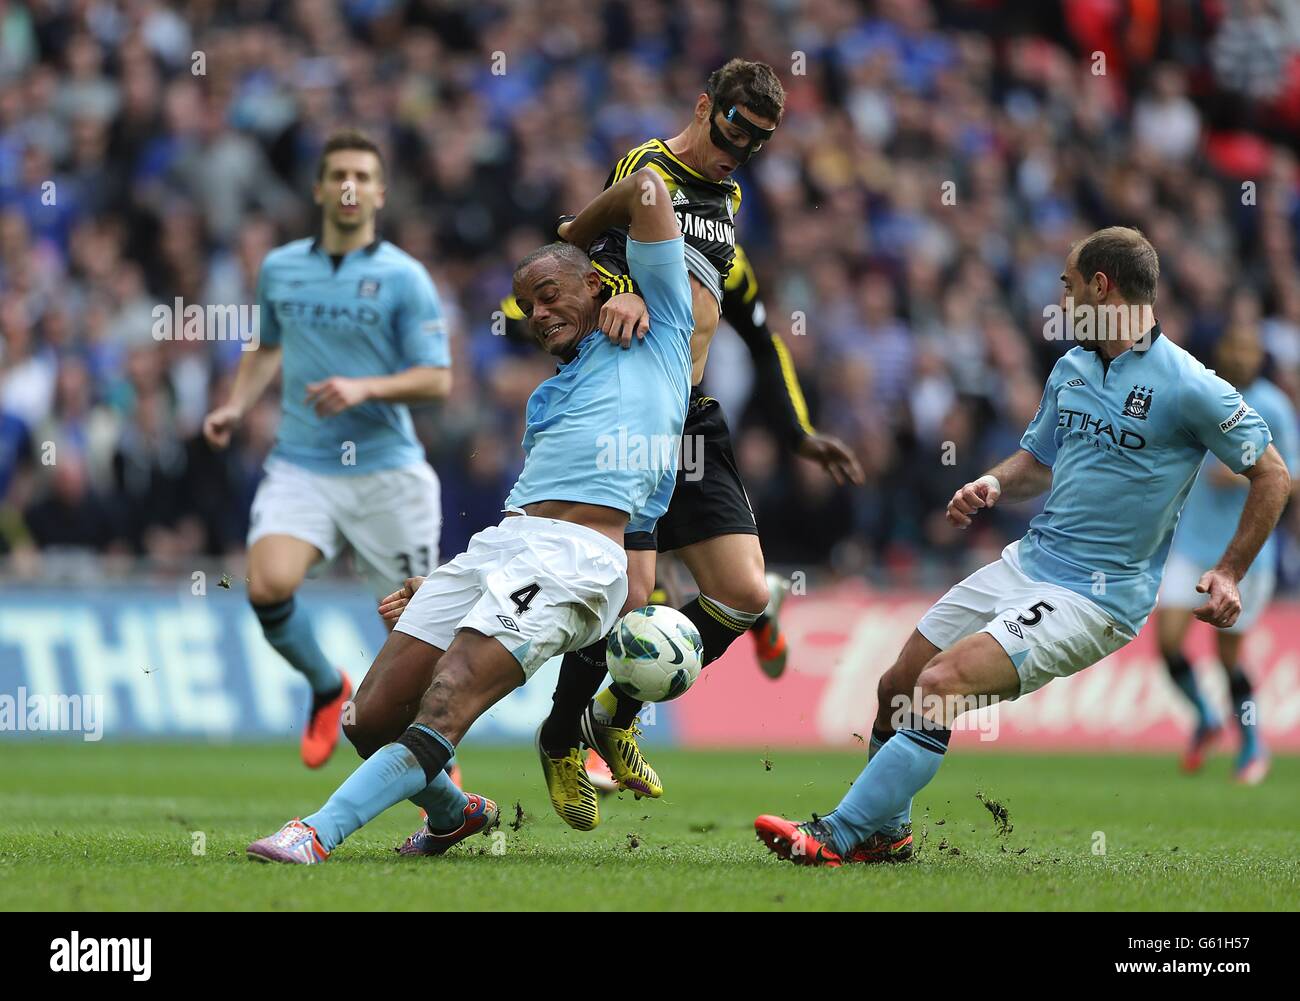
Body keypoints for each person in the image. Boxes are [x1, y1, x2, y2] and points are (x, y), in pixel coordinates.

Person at [754, 227, 1291, 866]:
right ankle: (887, 832)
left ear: (1102, 286)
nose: (1058, 299)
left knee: (940, 683)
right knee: (896, 685)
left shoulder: (1190, 384)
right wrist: (991, 482)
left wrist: (1230, 570)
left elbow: (1273, 473)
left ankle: (836, 834)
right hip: (1029, 560)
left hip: (1098, 597)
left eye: (1066, 285)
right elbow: (1040, 460)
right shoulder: (1072, 367)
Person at [245, 165, 694, 863]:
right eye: (527, 308)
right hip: (506, 545)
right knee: (372, 716)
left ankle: (316, 831)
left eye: (550, 295)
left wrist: (580, 234)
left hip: (577, 559)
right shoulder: (545, 401)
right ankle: (456, 815)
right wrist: (448, 585)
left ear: (599, 285)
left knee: (448, 694)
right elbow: (529, 505)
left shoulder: (661, 330)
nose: (539, 314)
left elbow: (649, 194)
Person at [536, 59, 864, 828]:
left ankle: (614, 712)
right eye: (732, 132)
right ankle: (559, 738)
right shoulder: (649, 168)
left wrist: (799, 430)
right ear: (704, 106)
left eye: (755, 143)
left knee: (746, 593)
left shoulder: (730, 199)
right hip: (631, 413)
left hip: (692, 416)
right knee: (628, 592)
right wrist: (611, 288)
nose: (737, 151)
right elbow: (590, 261)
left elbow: (749, 324)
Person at [203, 129, 451, 769]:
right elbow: (266, 347)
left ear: (379, 192)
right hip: (302, 464)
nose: (350, 186)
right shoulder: (282, 267)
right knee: (267, 583)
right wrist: (235, 405)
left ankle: (443, 774)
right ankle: (325, 686)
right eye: (339, 173)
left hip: (387, 474)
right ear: (318, 187)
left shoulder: (404, 277)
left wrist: (365, 386)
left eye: (363, 176)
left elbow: (438, 378)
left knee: (412, 635)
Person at [1155, 323, 1299, 784]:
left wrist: (1243, 475)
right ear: (1223, 349)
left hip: (1243, 549)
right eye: (1236, 344)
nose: (1244, 353)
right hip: (1190, 543)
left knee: (1227, 656)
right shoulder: (1200, 392)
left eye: (1251, 347)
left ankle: (1253, 742)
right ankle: (1206, 716)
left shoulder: (1273, 405)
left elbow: (1291, 476)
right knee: (1167, 642)